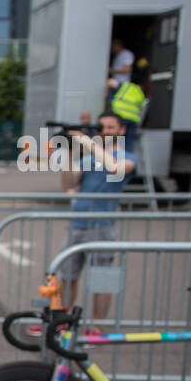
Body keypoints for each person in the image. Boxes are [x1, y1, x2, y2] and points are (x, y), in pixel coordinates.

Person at [30, 112, 136, 338]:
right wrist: (69, 151)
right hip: (77, 225)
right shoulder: (88, 159)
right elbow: (68, 184)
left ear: (121, 131)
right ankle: (64, 321)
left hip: (103, 227)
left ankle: (96, 327)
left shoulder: (127, 157)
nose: (105, 131)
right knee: (67, 277)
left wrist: (87, 141)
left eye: (110, 127)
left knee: (101, 280)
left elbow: (116, 168)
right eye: (102, 127)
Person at [107, 67, 147, 152]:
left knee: (116, 141)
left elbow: (111, 83)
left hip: (120, 118)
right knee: (128, 143)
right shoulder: (139, 91)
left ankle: (115, 158)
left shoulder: (124, 86)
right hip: (133, 120)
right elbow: (143, 105)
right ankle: (126, 159)